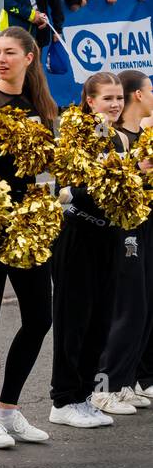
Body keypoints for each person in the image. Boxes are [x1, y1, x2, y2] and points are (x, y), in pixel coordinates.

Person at [0, 26, 58, 450]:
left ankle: (9, 409)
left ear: (29, 57)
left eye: (9, 53)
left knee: (39, 317)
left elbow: (46, 161)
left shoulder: (40, 102)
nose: (0, 59)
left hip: (28, 219)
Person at [49, 73, 125, 429]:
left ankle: (84, 395)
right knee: (73, 320)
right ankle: (62, 399)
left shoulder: (116, 138)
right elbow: (68, 189)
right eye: (107, 98)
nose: (115, 104)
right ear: (89, 101)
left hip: (108, 238)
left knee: (100, 319)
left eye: (119, 98)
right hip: (77, 235)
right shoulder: (73, 135)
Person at [94, 70, 153, 413]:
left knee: (144, 304)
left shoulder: (139, 135)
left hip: (145, 224)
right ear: (139, 96)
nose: (114, 104)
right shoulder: (111, 135)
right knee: (128, 307)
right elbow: (103, 178)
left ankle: (129, 379)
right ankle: (106, 385)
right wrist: (135, 167)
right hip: (122, 227)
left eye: (117, 98)